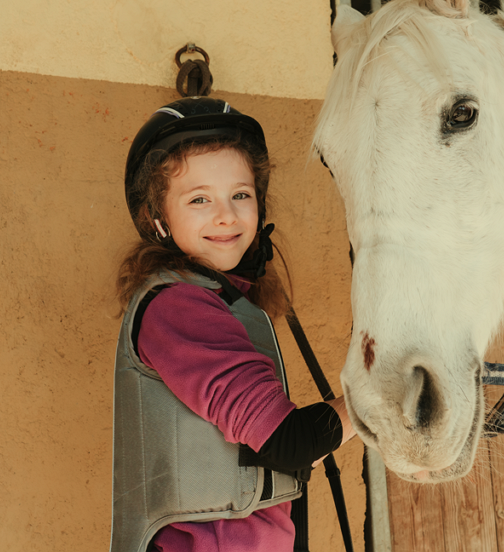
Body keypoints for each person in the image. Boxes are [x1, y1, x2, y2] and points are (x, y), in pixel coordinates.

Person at [111, 97, 355, 552]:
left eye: (240, 195)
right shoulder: (177, 307)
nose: (226, 215)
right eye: (199, 199)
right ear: (158, 218)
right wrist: (375, 399)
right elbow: (287, 441)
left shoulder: (226, 303)